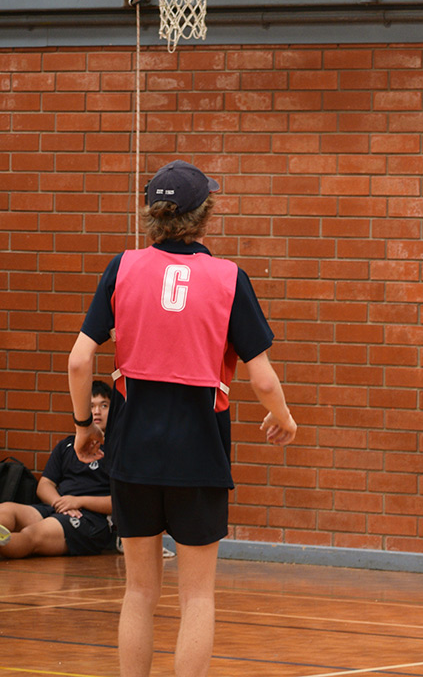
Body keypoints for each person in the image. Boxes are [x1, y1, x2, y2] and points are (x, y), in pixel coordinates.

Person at [66, 159, 297, 677]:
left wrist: (85, 428)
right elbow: (262, 379)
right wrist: (283, 416)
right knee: (197, 598)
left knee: (139, 592)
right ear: (204, 215)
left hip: (133, 450)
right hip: (199, 452)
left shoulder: (121, 267)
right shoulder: (228, 278)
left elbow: (80, 360)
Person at [0, 381, 113, 559]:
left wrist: (78, 501)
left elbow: (119, 502)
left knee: (31, 535)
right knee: (6, 510)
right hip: (56, 508)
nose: (97, 411)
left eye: (104, 405)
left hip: (91, 520)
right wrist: (60, 503)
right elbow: (44, 484)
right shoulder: (66, 445)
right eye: (90, 406)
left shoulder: (119, 450)